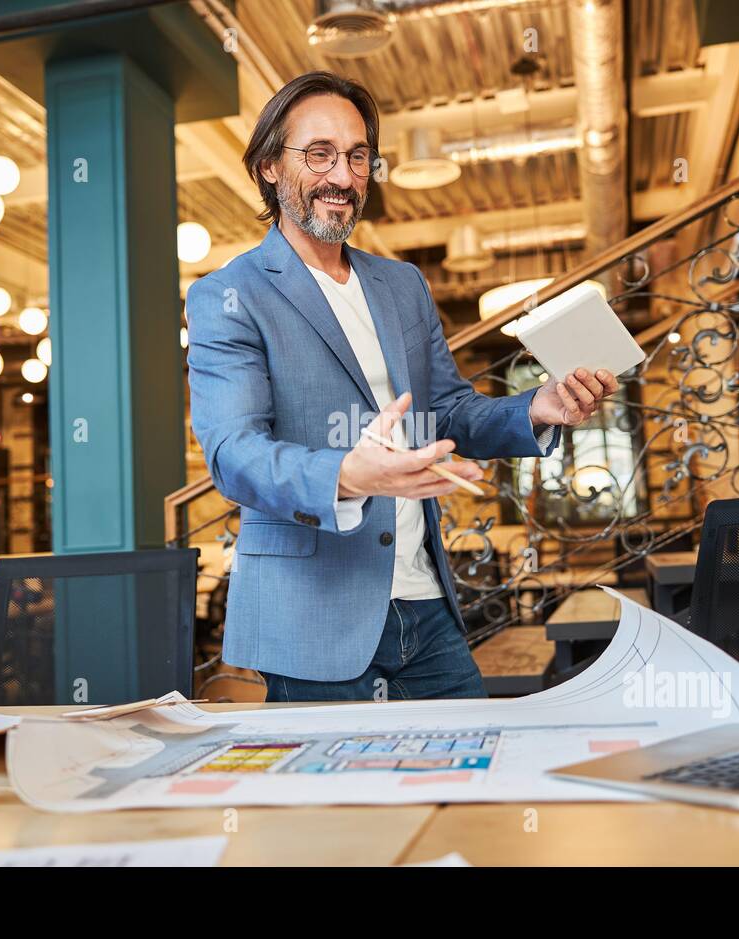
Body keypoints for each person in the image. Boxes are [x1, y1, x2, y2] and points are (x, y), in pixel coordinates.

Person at [185, 71, 617, 702]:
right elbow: (233, 454)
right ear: (271, 167)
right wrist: (349, 475)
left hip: (427, 606)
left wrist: (538, 409)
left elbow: (446, 412)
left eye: (358, 156)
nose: (341, 175)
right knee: (341, 802)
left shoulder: (402, 285)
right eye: (320, 154)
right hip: (313, 614)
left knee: (471, 787)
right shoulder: (229, 295)